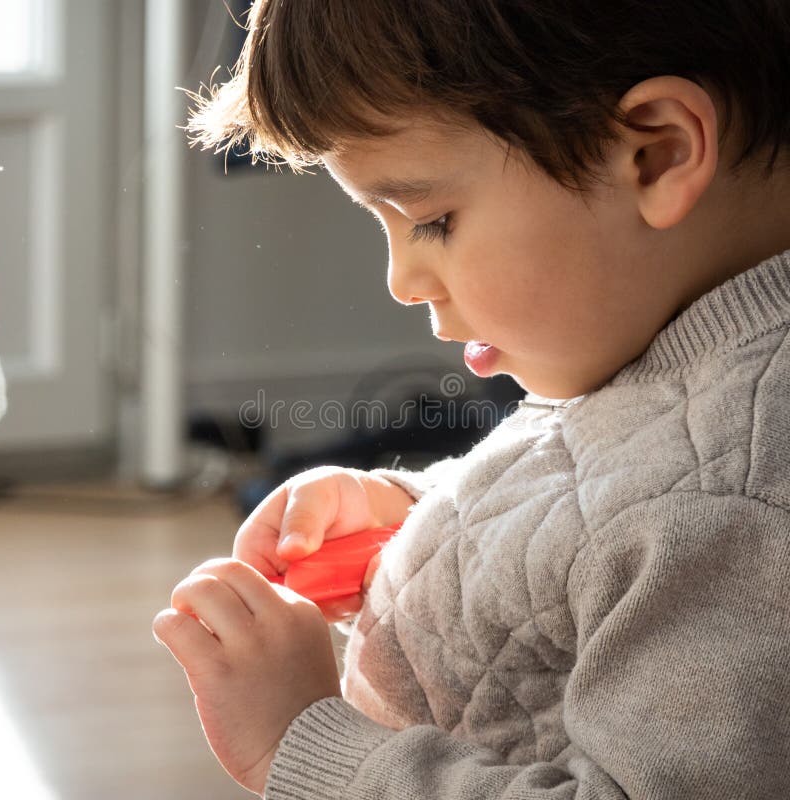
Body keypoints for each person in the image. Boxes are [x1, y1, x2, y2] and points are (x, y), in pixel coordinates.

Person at [152, 2, 790, 797]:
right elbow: (594, 495)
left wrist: (309, 742)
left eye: (433, 220)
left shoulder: (735, 501)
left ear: (657, 154)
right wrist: (416, 516)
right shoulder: (659, 343)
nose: (400, 280)